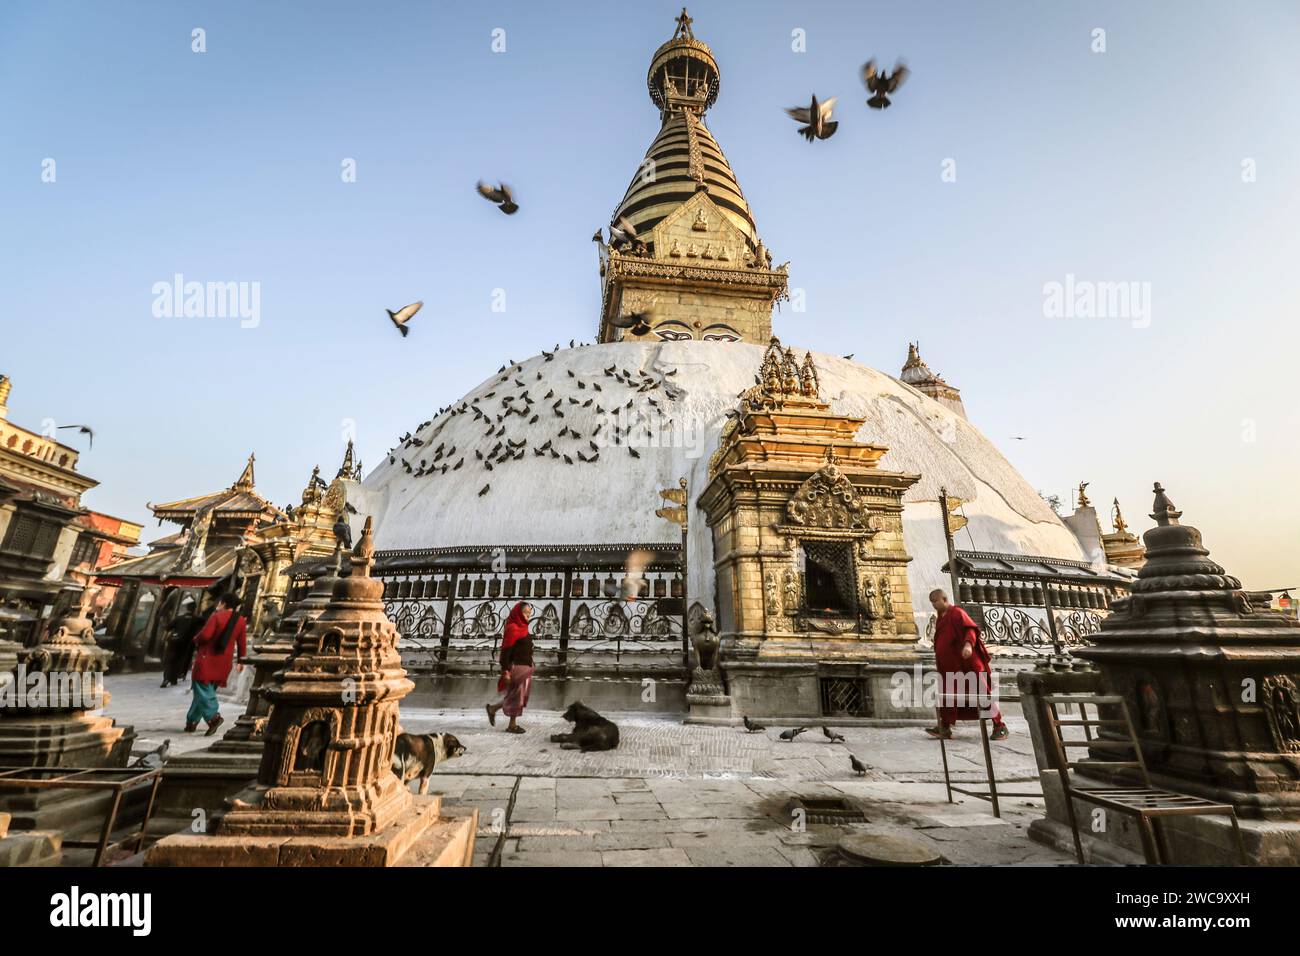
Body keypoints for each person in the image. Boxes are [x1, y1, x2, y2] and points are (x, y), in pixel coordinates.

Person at [925, 588, 1008, 741]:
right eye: (932, 602)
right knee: (949, 695)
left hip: (967, 663)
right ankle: (945, 727)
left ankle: (999, 725)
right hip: (951, 666)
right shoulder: (940, 618)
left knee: (982, 692)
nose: (934, 605)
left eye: (935, 601)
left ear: (944, 599)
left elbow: (970, 629)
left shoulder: (957, 612)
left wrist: (968, 645)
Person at [186, 592, 246, 736]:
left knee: (201, 688)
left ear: (224, 604)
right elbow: (242, 643)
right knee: (205, 691)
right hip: (224, 661)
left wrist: (196, 639)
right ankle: (192, 721)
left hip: (208, 658)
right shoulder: (241, 620)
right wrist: (241, 660)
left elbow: (205, 635)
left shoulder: (217, 617)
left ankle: (213, 717)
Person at [486, 603, 533, 734]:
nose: (528, 616)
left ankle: (493, 709)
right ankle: (512, 725)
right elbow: (506, 652)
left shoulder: (524, 628)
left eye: (529, 613)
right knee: (516, 697)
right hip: (516, 667)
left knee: (517, 696)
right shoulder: (513, 628)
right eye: (525, 613)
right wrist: (505, 671)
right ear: (518, 613)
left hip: (525, 666)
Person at [160, 598, 201, 687]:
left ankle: (166, 678)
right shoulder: (196, 619)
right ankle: (174, 679)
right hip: (186, 643)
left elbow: (168, 627)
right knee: (179, 660)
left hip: (174, 641)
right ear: (195, 609)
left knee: (170, 659)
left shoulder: (179, 618)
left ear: (186, 608)